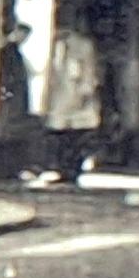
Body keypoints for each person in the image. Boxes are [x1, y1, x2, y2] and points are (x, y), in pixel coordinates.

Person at [41, 28, 102, 185]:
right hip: (60, 100)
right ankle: (63, 169)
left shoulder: (83, 46)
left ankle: (73, 171)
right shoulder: (55, 46)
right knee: (60, 137)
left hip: (77, 101)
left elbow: (88, 72)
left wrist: (84, 93)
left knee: (76, 137)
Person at [0, 22, 35, 181]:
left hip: (13, 101)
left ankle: (10, 170)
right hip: (11, 102)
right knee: (10, 136)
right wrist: (7, 95)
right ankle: (7, 170)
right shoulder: (8, 52)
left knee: (12, 136)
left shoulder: (12, 51)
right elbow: (6, 77)